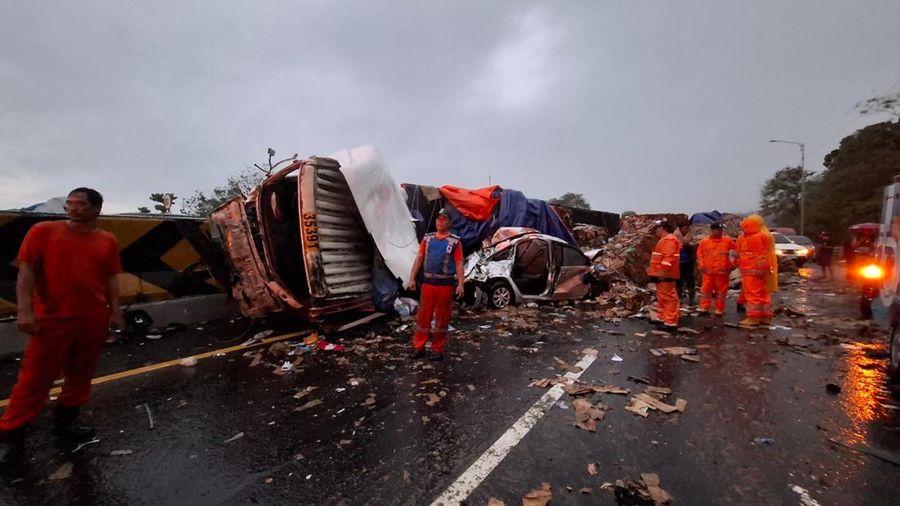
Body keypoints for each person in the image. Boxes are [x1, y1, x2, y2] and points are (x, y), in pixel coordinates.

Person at [0, 188, 123, 465]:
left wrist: (114, 311)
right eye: (70, 204)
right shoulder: (43, 231)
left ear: (96, 209)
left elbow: (111, 278)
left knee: (81, 374)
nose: (73, 209)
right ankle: (11, 437)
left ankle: (66, 424)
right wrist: (24, 310)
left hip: (92, 317)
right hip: (53, 318)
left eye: (80, 204)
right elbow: (27, 272)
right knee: (35, 378)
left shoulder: (107, 241)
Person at [406, 209, 464, 361]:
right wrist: (412, 278)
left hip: (445, 284)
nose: (440, 221)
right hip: (428, 283)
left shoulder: (455, 241)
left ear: (450, 223)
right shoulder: (427, 239)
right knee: (423, 317)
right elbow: (419, 258)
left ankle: (437, 349)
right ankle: (419, 347)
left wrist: (461, 284)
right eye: (438, 219)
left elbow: (459, 263)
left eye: (444, 219)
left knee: (442, 318)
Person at [736, 215, 776, 327]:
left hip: (752, 271)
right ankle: (765, 316)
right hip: (758, 271)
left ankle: (753, 318)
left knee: (753, 294)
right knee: (763, 293)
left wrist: (758, 269)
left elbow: (759, 255)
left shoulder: (753, 237)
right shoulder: (761, 236)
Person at [647, 221, 682, 329]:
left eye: (657, 228)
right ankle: (662, 318)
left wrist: (663, 271)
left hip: (665, 274)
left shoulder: (669, 240)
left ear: (662, 228)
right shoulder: (665, 240)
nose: (656, 231)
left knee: (669, 298)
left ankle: (670, 322)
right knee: (662, 297)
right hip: (661, 274)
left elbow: (668, 257)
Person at [696, 223, 736, 315]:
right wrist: (701, 266)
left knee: (721, 292)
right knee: (706, 290)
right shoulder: (704, 242)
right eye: (718, 230)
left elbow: (734, 253)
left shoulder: (728, 241)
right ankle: (704, 307)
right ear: (712, 230)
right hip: (708, 271)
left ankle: (719, 309)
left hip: (722, 271)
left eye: (721, 230)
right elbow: (700, 255)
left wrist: (733, 265)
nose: (720, 232)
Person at [675, 224, 697, 305]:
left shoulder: (690, 237)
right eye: (684, 228)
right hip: (678, 263)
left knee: (690, 281)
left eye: (687, 228)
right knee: (678, 281)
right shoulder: (674, 238)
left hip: (688, 263)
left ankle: (692, 298)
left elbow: (693, 249)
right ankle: (679, 298)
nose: (686, 230)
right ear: (680, 229)